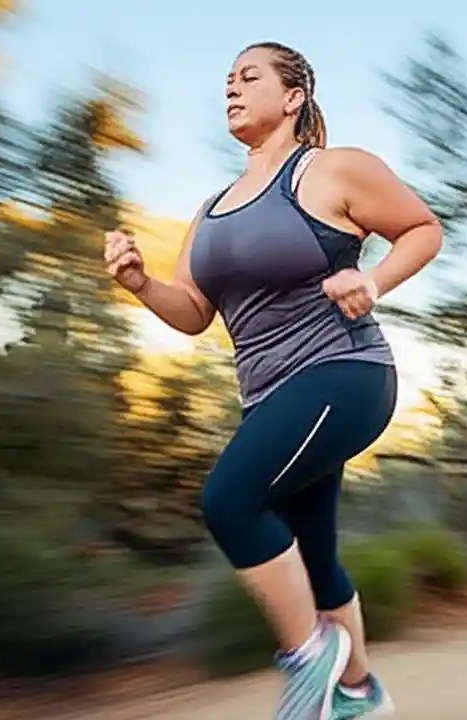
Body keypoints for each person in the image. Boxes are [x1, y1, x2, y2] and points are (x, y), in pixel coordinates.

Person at [104, 40, 442, 720]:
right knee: (313, 559)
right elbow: (196, 313)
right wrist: (141, 283)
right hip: (270, 399)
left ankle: (310, 656)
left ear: (292, 98)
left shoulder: (329, 169)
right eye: (227, 80)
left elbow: (423, 229)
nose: (231, 88)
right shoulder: (211, 209)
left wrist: (372, 281)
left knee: (229, 501)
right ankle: (356, 691)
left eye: (248, 77)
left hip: (344, 373)